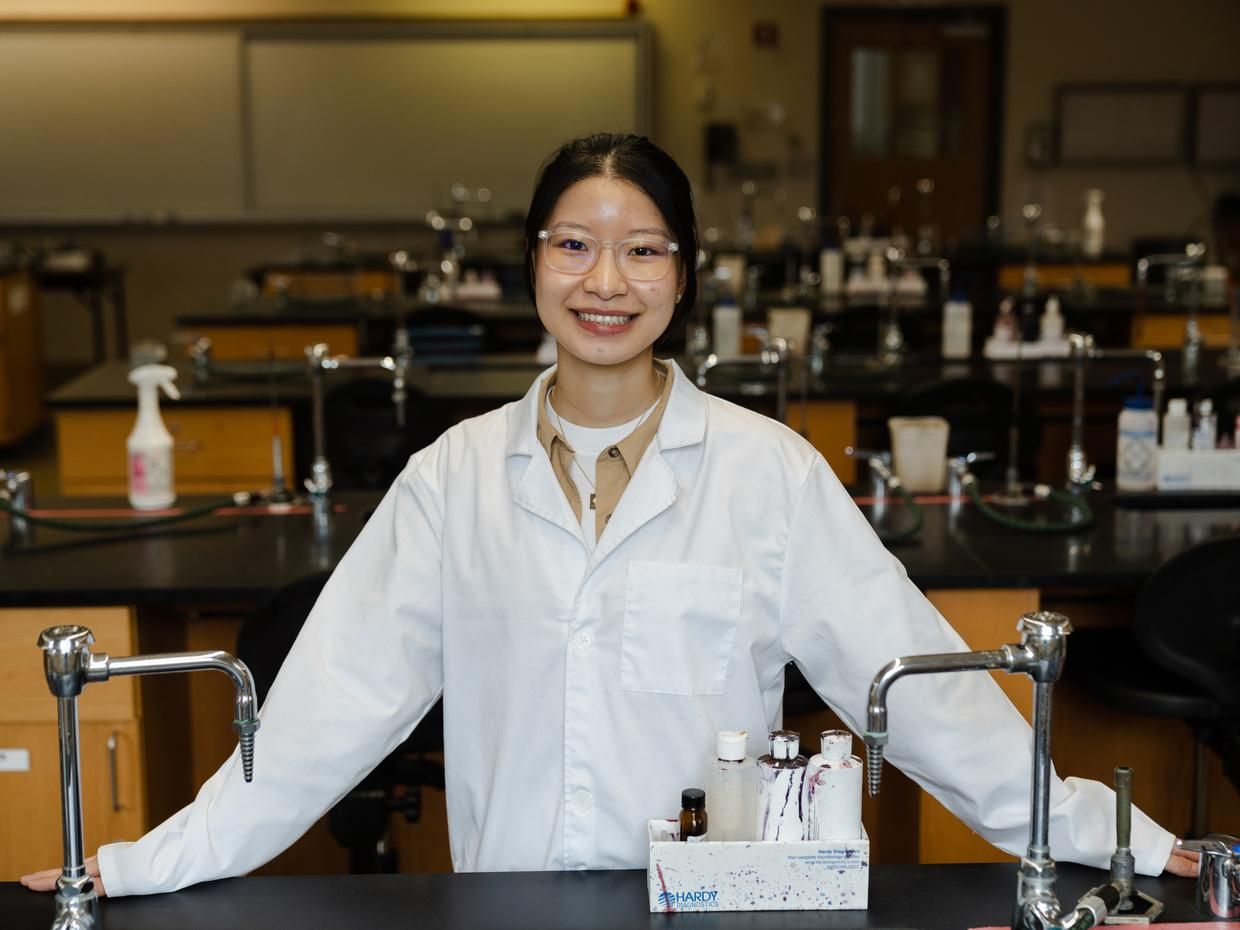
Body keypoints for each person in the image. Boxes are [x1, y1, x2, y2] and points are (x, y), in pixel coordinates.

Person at [23, 133, 1199, 896]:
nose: (604, 282)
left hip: (715, 907)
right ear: (531, 264)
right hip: (507, 906)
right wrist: (123, 867)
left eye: (641, 251)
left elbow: (931, 699)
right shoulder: (452, 481)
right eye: (573, 246)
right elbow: (315, 728)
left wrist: (1131, 840)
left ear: (683, 278)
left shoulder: (767, 475)